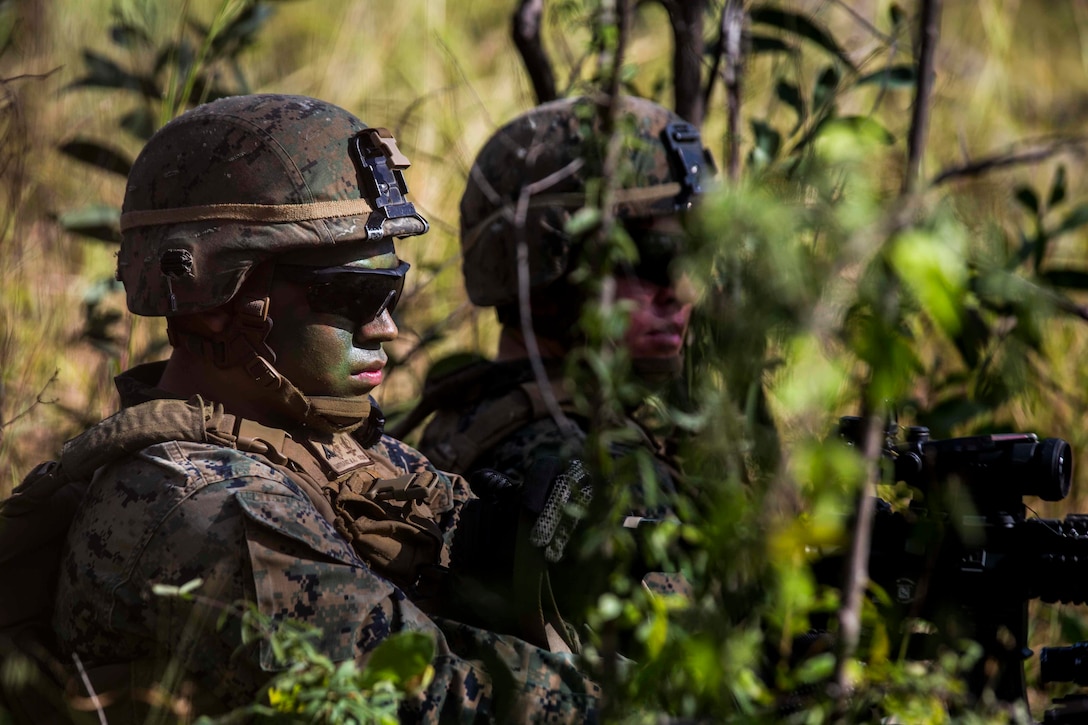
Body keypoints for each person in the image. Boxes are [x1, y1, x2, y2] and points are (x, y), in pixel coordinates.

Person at [0, 94, 598, 722]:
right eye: (351, 294)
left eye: (392, 288)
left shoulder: (321, 439)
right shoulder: (205, 506)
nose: (387, 327)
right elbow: (447, 704)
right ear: (213, 301)